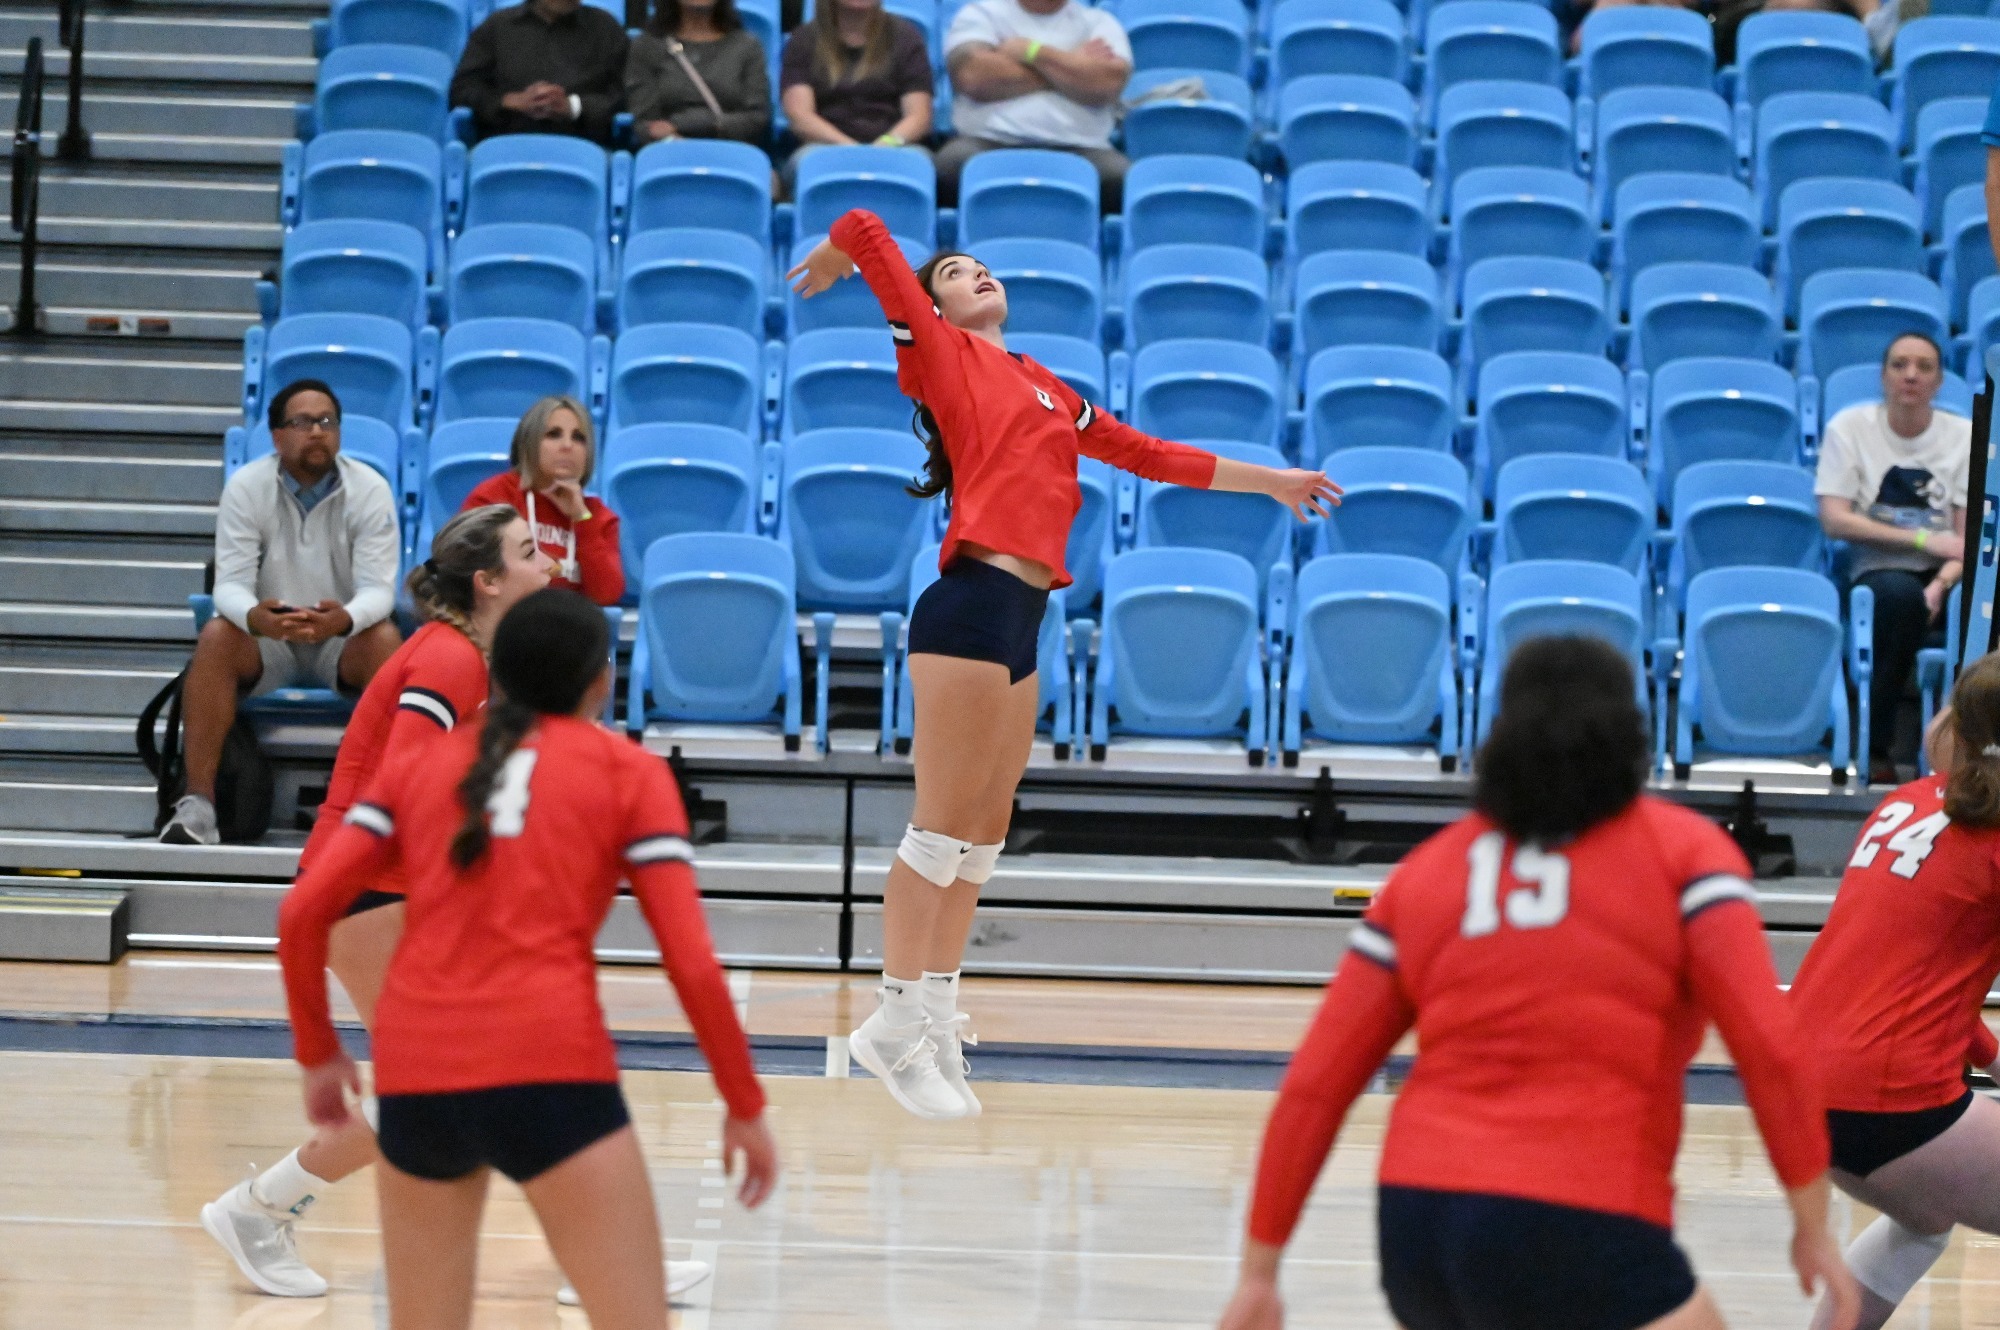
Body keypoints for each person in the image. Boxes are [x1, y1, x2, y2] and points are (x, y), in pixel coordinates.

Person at [788, 210, 1339, 1121]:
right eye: (957, 271)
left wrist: (1270, 481)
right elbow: (866, 227)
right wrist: (841, 252)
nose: (978, 273)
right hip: (968, 605)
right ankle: (889, 1023)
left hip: (1024, 616)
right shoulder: (934, 353)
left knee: (983, 837)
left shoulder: (1047, 385)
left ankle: (932, 1011)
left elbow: (1149, 454)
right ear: (933, 307)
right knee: (937, 830)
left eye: (983, 265)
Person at [1215, 634, 1860, 1330]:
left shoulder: (1427, 873)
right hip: (1580, 1212)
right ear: (1629, 733)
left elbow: (1318, 1080)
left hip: (1418, 1224)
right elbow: (1769, 1047)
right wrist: (1812, 1221)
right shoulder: (1686, 855)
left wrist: (1259, 1270)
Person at [276, 588, 778, 1326]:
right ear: (600, 681)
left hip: (422, 1074)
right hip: (551, 1067)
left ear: (497, 677)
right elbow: (693, 964)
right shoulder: (628, 773)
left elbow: (302, 912)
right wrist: (744, 1104)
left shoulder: (420, 767)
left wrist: (320, 1054)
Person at [199, 505, 554, 1297]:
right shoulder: (450, 660)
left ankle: (260, 1209)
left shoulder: (472, 660)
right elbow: (408, 781)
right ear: (490, 581)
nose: (550, 563)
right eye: (531, 552)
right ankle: (258, 1209)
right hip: (365, 887)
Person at [1793, 654, 2000, 1330]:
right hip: (1880, 1096)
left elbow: (1900, 972)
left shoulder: (1904, 802)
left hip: (1799, 1082)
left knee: (1922, 1224)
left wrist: (1991, 1057)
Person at [161, 380, 402, 847]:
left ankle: (378, 805)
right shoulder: (247, 487)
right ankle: (199, 805)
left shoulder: (370, 489)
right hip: (269, 638)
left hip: (340, 639)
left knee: (387, 641)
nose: (317, 431)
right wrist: (256, 618)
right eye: (302, 422)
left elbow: (379, 590)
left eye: (327, 422)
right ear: (275, 435)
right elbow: (229, 583)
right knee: (216, 635)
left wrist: (345, 620)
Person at [1815, 332, 1969, 785]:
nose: (1911, 375)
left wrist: (1941, 583)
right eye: (1901, 364)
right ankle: (1877, 745)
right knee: (1898, 596)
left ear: (1940, 380)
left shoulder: (1963, 436)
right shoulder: (1851, 428)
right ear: (1883, 376)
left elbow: (1965, 539)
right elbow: (1834, 520)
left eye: (1924, 366)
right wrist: (1922, 540)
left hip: (1950, 572)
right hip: (1879, 569)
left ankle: (1973, 750)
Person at [937, 0, 1133, 210]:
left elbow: (1106, 83)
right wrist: (1073, 65)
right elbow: (973, 76)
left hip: (1084, 149)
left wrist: (1033, 52)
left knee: (1124, 179)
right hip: (988, 142)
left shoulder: (1100, 23)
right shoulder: (981, 13)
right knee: (947, 167)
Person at [461, 396, 625, 606]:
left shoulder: (596, 515)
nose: (567, 445)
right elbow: (470, 573)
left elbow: (606, 594)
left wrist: (580, 517)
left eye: (579, 438)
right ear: (529, 443)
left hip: (568, 627)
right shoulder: (494, 497)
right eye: (553, 434)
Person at [778, 0, 935, 194]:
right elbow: (801, 117)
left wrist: (883, 146)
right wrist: (850, 149)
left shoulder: (906, 37)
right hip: (827, 145)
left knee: (918, 163)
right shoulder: (804, 40)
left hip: (893, 146)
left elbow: (919, 117)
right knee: (805, 162)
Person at [450, 0, 631, 146]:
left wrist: (573, 107)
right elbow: (461, 91)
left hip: (582, 144)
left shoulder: (606, 28)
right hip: (506, 143)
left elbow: (624, 97)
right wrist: (509, 101)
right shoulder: (497, 26)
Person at [625, 0, 771, 147]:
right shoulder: (647, 47)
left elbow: (757, 117)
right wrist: (680, 145)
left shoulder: (747, 47)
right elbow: (647, 125)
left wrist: (686, 124)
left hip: (732, 151)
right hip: (667, 151)